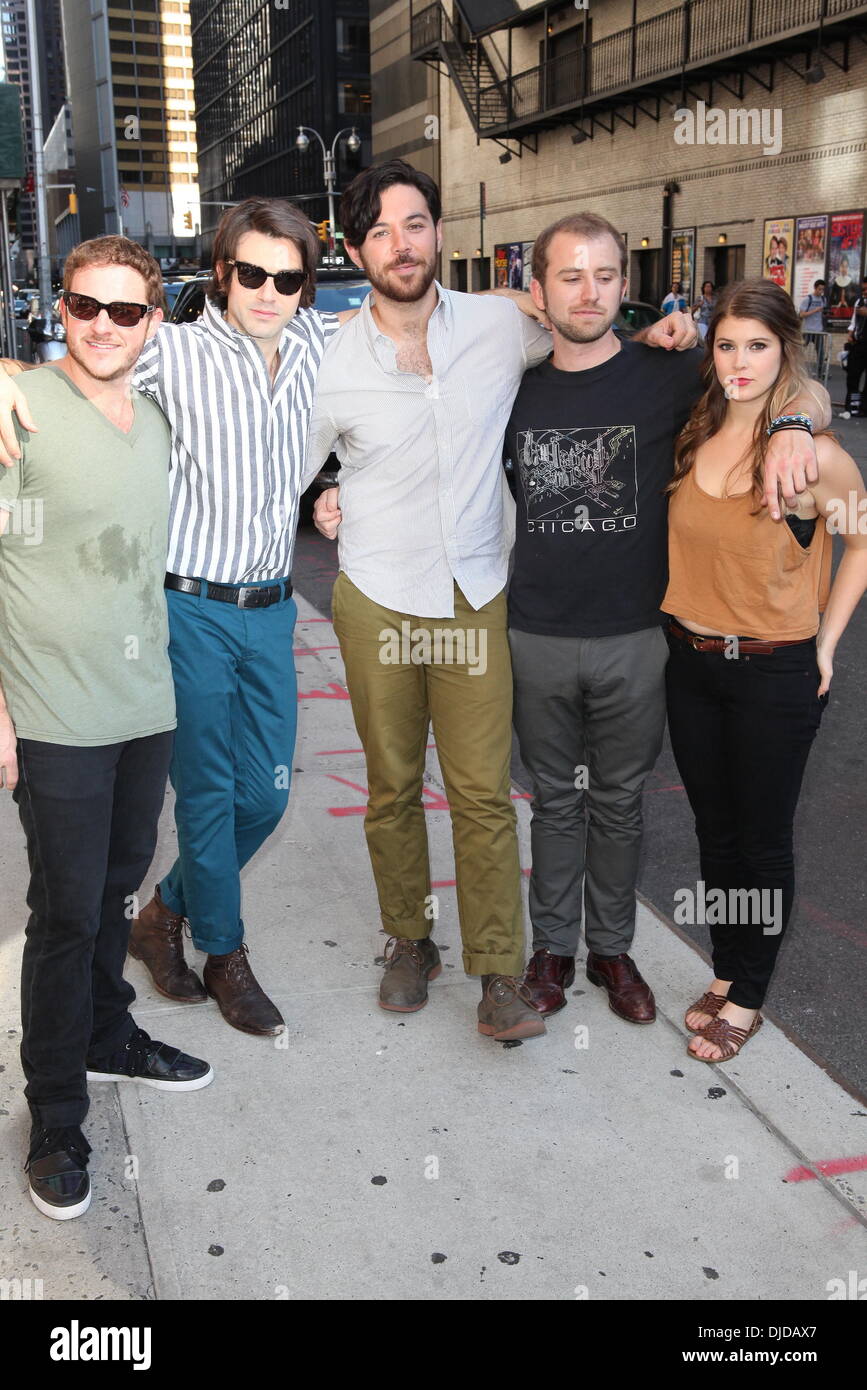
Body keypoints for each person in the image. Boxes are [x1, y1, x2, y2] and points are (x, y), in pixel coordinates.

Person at [0, 200, 350, 1038]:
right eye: (252, 273)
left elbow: (425, 322)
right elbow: (84, 363)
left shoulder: (312, 344)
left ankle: (162, 911)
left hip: (272, 608)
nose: (268, 292)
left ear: (306, 286)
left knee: (262, 797)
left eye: (288, 278)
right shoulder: (174, 350)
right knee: (205, 798)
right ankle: (224, 954)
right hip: (186, 610)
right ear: (223, 274)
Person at [503, 216, 831, 1023]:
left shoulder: (674, 368)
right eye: (569, 276)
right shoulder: (504, 378)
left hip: (639, 637)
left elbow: (786, 374)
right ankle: (551, 950)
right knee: (553, 799)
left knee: (619, 801)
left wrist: (795, 422)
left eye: (605, 275)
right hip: (535, 630)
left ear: (625, 284)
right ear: (539, 289)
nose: (589, 291)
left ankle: (611, 952)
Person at [0, 237, 213, 1221]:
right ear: (62, 306)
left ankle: (105, 1034)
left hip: (142, 708)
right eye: (85, 305)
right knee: (67, 912)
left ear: (152, 322)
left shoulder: (159, 419)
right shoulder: (21, 409)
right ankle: (53, 1113)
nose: (101, 325)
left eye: (125, 311)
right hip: (52, 715)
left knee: (116, 890)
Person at [662, 279, 867, 1062]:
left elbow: (860, 544)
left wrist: (825, 642)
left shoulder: (812, 455)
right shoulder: (694, 426)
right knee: (714, 833)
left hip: (774, 674)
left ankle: (748, 993)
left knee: (761, 840)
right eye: (725, 344)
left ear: (783, 349)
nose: (738, 362)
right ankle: (726, 967)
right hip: (690, 663)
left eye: (756, 345)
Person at [841, 275, 867, 418]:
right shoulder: (859, 301)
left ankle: (864, 407)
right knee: (853, 377)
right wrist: (850, 334)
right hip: (858, 344)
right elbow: (853, 321)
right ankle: (852, 407)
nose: (864, 292)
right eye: (863, 289)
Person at [798, 277, 828, 378]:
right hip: (807, 330)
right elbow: (802, 315)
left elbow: (823, 314)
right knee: (800, 350)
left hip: (818, 330)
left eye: (823, 289)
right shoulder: (808, 299)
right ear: (815, 288)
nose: (821, 292)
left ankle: (820, 372)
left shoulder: (823, 299)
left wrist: (824, 313)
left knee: (820, 353)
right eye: (819, 289)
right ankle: (794, 370)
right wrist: (815, 310)